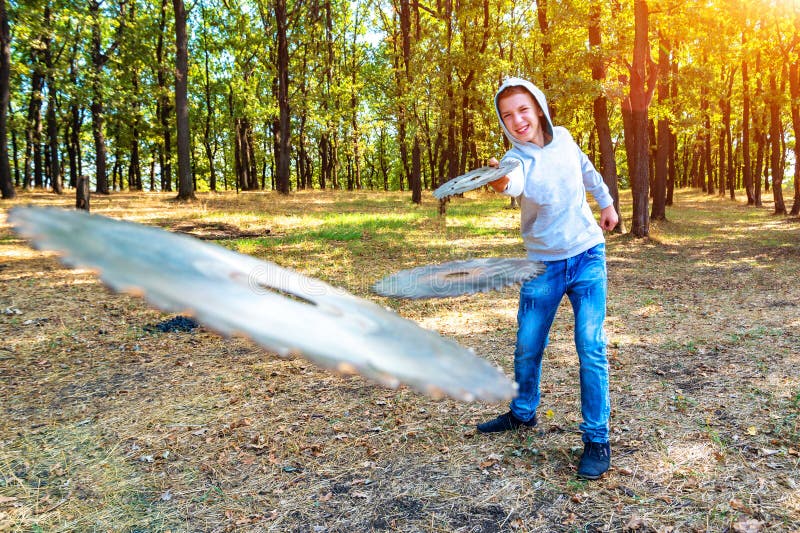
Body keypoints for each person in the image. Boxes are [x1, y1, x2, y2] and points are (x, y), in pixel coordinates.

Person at [476, 77, 619, 480]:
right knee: (527, 345)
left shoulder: (566, 139)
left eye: (523, 109)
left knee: (590, 346)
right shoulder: (515, 160)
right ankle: (523, 413)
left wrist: (606, 204)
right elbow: (511, 184)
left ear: (538, 108)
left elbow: (588, 171)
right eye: (508, 115)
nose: (517, 120)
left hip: (588, 255)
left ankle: (597, 438)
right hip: (543, 265)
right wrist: (499, 180)